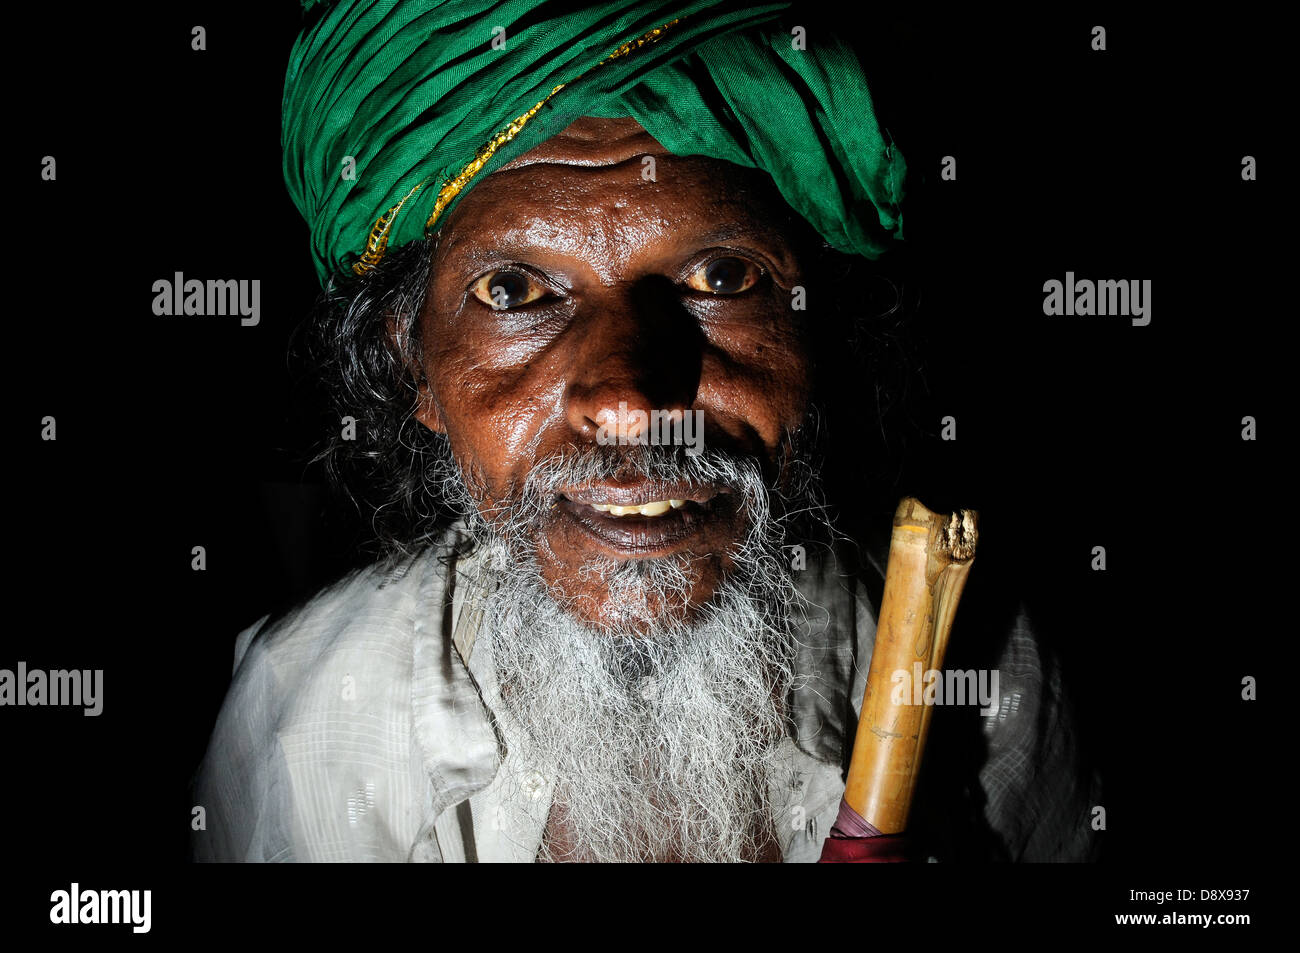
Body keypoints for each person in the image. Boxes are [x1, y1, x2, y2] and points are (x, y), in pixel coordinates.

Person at [192, 0, 1097, 863]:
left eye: (722, 276)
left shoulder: (988, 685)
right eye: (514, 292)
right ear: (413, 365)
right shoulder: (300, 722)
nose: (629, 401)